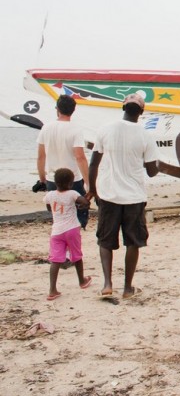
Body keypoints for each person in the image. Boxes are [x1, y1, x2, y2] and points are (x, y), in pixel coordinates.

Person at [88, 93, 160, 299]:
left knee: (105, 240)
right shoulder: (145, 135)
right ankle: (128, 288)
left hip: (108, 194)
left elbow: (94, 163)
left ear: (123, 107)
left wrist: (93, 190)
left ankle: (107, 284)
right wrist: (158, 165)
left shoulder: (105, 129)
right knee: (133, 242)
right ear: (142, 112)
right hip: (134, 197)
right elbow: (151, 171)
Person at [36, 94, 90, 230]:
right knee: (79, 213)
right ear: (73, 110)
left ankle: (62, 238)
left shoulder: (46, 128)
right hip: (73, 178)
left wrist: (42, 178)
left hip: (52, 178)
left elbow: (41, 156)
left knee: (58, 214)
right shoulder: (76, 129)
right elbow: (80, 157)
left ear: (57, 109)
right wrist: (89, 182)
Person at [44, 168, 93, 300]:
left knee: (55, 259)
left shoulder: (50, 195)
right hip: (72, 229)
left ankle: (52, 289)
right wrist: (84, 202)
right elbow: (85, 202)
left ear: (55, 182)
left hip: (56, 231)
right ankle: (82, 281)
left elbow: (49, 208)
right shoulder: (72, 193)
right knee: (76, 255)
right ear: (71, 183)